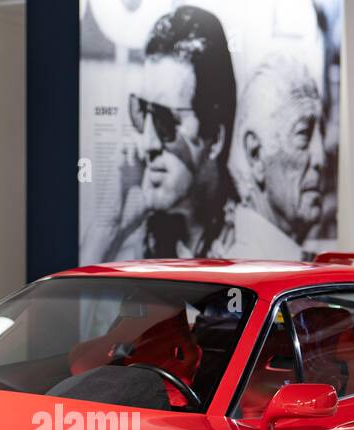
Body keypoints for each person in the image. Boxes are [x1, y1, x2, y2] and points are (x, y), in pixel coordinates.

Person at [81, 5, 238, 263]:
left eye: (166, 120)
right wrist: (109, 227)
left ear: (215, 139)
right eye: (142, 111)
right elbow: (77, 301)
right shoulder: (138, 240)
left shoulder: (250, 244)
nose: (146, 143)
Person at [228, 57, 329, 252]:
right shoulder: (247, 265)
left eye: (322, 134)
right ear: (255, 154)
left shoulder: (283, 257)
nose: (321, 159)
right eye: (303, 134)